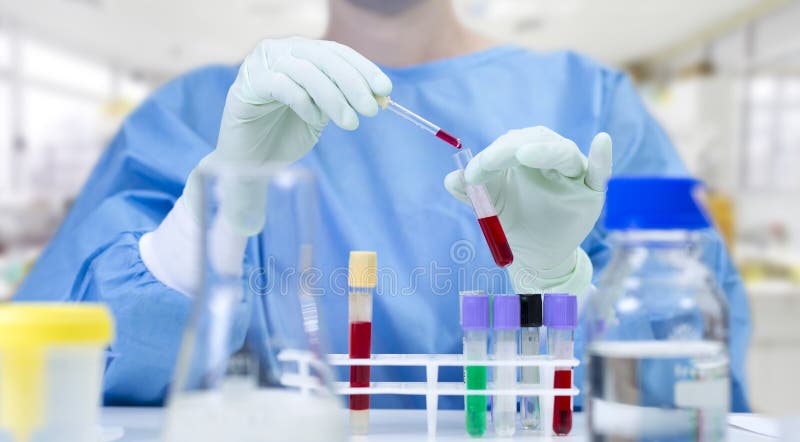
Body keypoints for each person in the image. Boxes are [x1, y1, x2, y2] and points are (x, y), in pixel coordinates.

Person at [15, 0, 750, 410]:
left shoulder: (589, 100)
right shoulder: (200, 113)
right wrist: (217, 206)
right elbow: (51, 379)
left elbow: (689, 383)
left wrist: (556, 286)